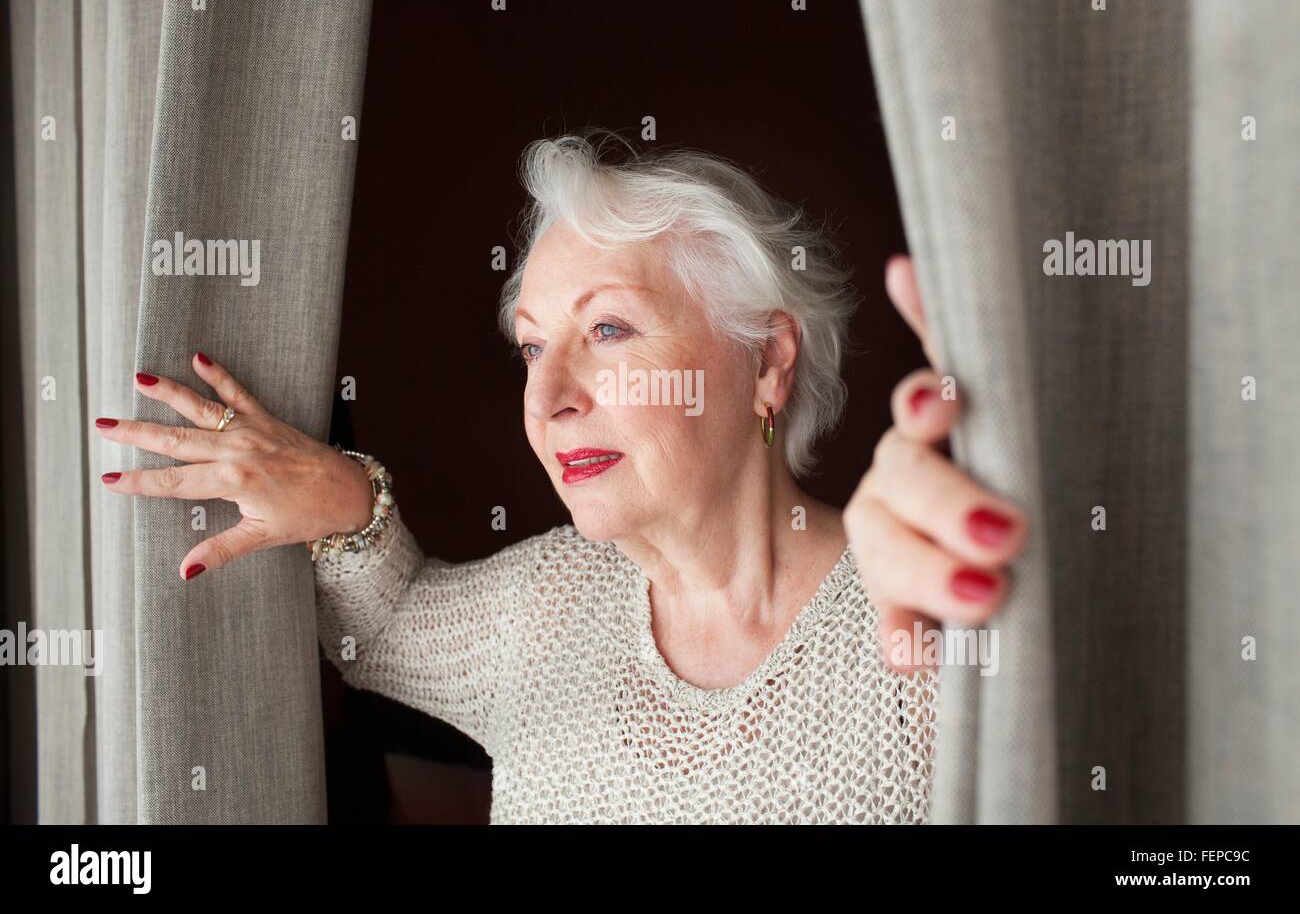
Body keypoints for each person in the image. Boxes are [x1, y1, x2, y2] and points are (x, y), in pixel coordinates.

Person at [95, 131, 1027, 823]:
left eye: (609, 330)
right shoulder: (547, 604)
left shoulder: (929, 615)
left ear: (767, 363)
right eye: (533, 349)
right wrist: (341, 497)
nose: (547, 397)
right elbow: (382, 625)